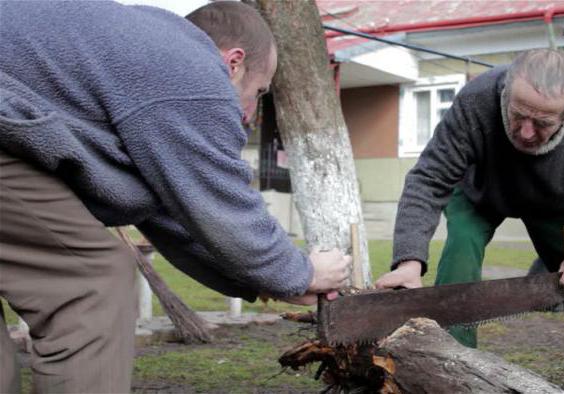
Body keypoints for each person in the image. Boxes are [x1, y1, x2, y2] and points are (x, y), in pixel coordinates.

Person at [0, 1, 350, 393]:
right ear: (233, 63)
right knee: (88, 283)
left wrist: (265, 280)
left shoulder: (137, 57)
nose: (250, 115)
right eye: (259, 91)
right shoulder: (193, 70)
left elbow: (173, 213)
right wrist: (301, 272)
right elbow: (220, 208)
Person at [376, 49, 564, 394]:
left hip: (559, 198)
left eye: (542, 123)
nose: (526, 133)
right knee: (460, 253)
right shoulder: (476, 101)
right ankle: (451, 368)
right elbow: (429, 179)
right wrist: (408, 262)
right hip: (481, 190)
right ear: (505, 93)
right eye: (518, 115)